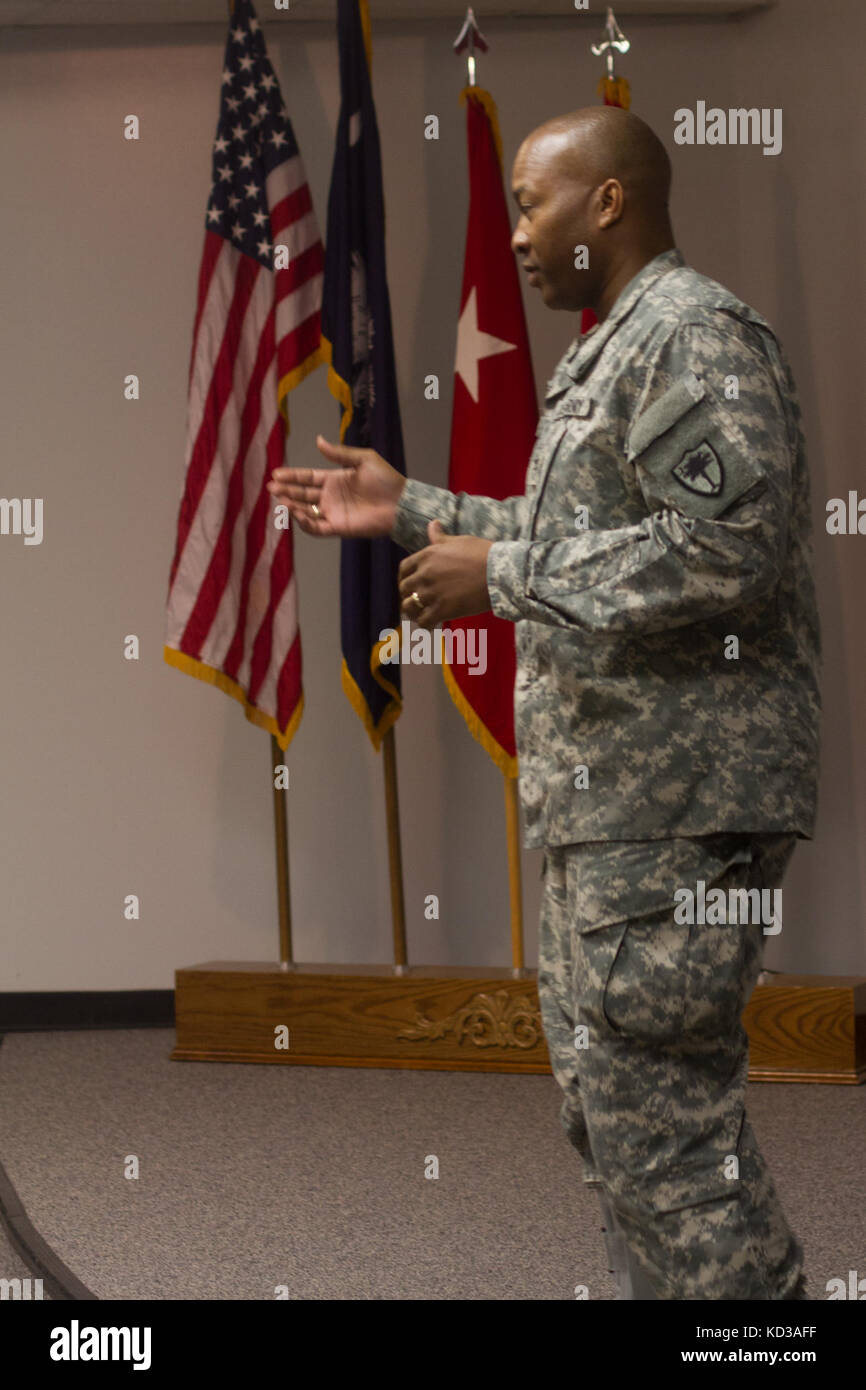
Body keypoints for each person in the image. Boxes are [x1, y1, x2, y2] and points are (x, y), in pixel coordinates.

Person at [266, 106, 821, 1301]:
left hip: (679, 807)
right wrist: (410, 505)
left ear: (607, 201)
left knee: (664, 1126)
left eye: (532, 202)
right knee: (612, 1118)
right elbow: (583, 534)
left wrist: (500, 577)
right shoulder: (611, 346)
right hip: (612, 805)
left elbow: (730, 550)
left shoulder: (688, 333)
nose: (518, 235)